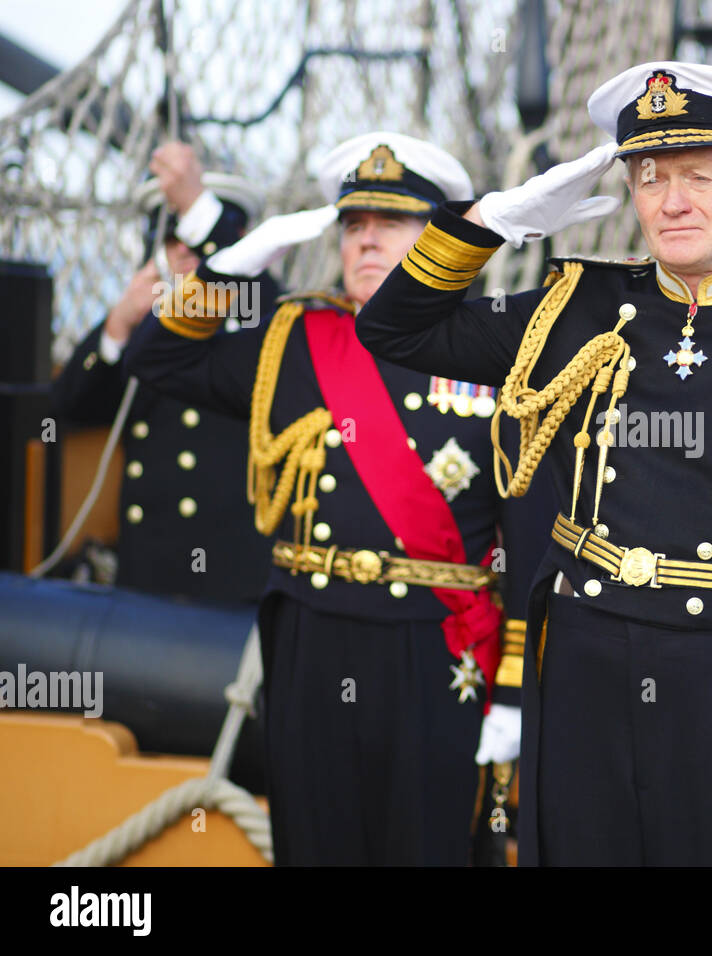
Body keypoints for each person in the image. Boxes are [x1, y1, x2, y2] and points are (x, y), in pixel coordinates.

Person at [357, 61, 712, 867]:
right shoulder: (581, 306)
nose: (671, 202)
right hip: (583, 662)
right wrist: (493, 223)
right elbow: (392, 331)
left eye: (696, 178)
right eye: (649, 180)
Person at [125, 131, 550, 865]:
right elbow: (158, 356)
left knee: (426, 845)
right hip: (310, 635)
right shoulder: (298, 339)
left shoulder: (492, 345)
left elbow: (531, 532)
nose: (368, 241)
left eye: (392, 224)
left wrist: (513, 687)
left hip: (433, 646)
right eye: (354, 225)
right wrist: (234, 266)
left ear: (441, 239)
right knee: (313, 840)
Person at [51, 142, 272, 603]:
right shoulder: (142, 335)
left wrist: (198, 210)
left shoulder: (261, 312)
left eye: (203, 245)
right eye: (175, 244)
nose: (189, 258)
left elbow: (251, 299)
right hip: (149, 573)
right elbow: (72, 406)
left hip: (237, 577)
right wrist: (118, 325)